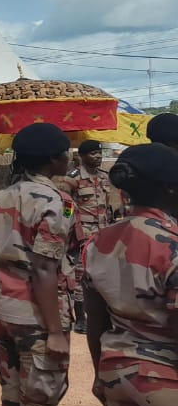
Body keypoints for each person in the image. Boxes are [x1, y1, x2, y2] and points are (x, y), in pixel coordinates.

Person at [0, 123, 75, 406]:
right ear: (54, 160)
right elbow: (44, 268)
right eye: (65, 154)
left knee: (11, 401)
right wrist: (55, 331)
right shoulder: (57, 201)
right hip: (38, 316)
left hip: (5, 311)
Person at [82, 143, 178, 406]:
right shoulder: (172, 244)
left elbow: (94, 321)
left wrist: (99, 373)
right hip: (164, 380)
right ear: (169, 187)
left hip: (115, 372)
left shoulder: (97, 242)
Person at [62, 140, 120, 334]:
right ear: (82, 156)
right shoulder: (73, 178)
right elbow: (67, 208)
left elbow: (108, 206)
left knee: (104, 275)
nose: (98, 156)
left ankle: (104, 315)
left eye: (99, 153)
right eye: (93, 153)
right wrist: (69, 228)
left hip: (103, 236)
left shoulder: (105, 177)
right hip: (82, 237)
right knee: (80, 276)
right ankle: (80, 319)